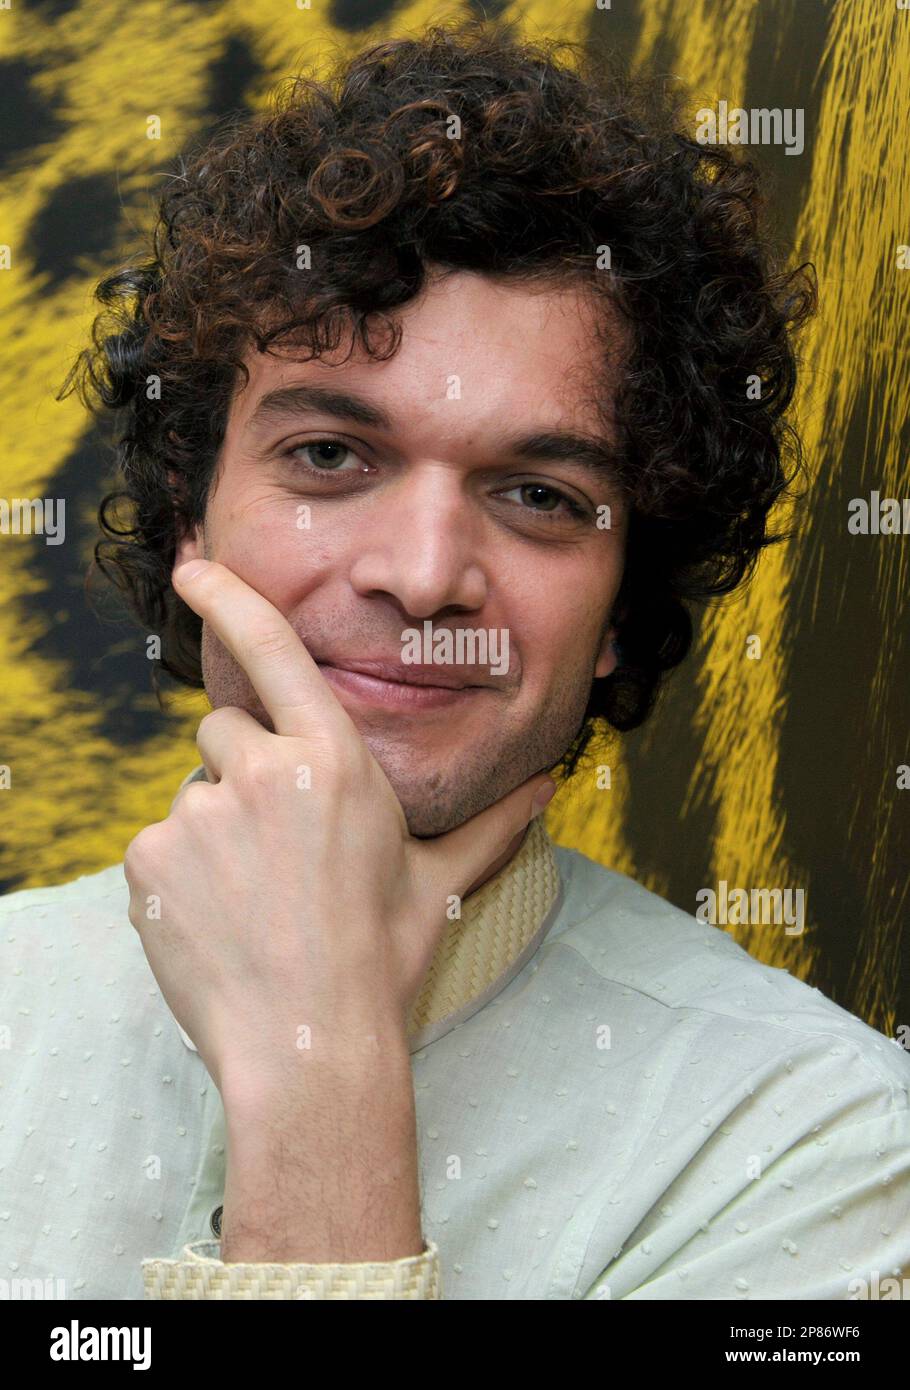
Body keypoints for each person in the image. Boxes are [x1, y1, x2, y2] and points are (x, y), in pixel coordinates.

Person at [3, 21, 907, 1301]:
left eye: (537, 493)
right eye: (329, 456)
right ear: (192, 514)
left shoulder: (822, 1151)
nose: (423, 576)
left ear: (617, 605)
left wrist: (322, 1092)